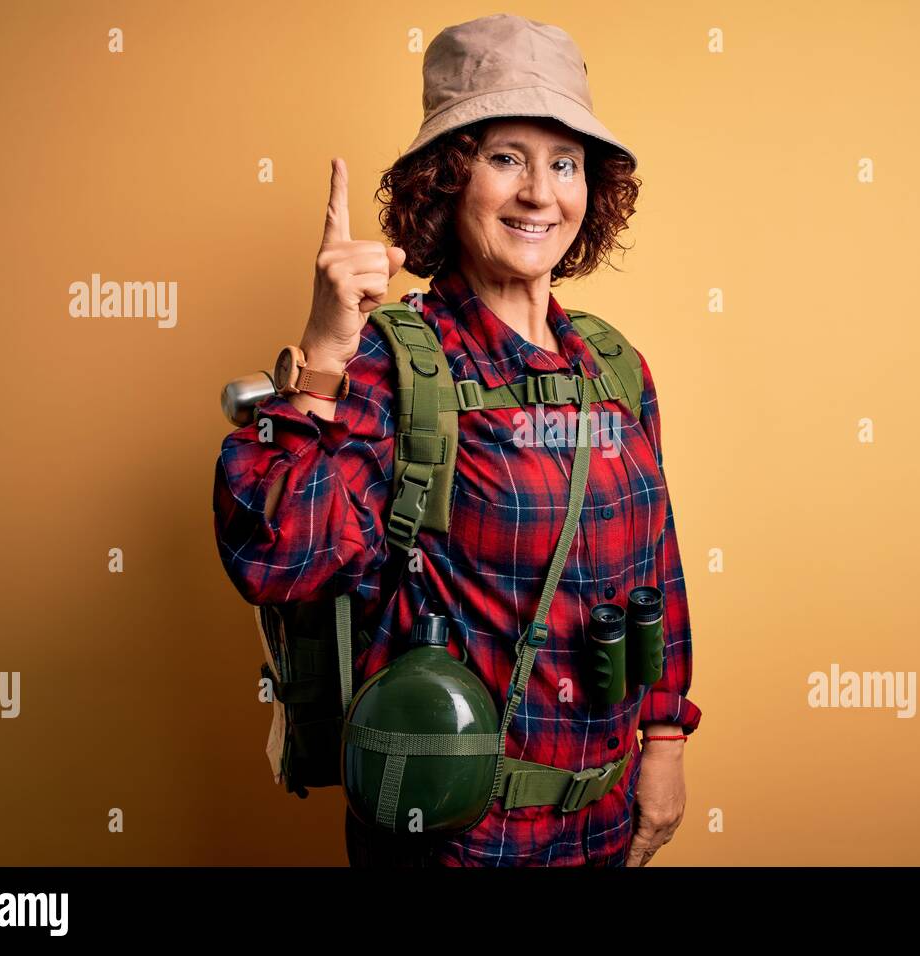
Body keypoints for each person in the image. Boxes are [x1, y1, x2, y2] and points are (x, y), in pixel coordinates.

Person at [212, 13, 701, 867]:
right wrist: (324, 350)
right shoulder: (400, 363)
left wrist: (665, 742)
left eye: (564, 163)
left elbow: (656, 563)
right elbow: (275, 555)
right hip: (454, 838)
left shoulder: (614, 365)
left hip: (604, 824)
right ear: (447, 180)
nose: (540, 193)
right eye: (506, 157)